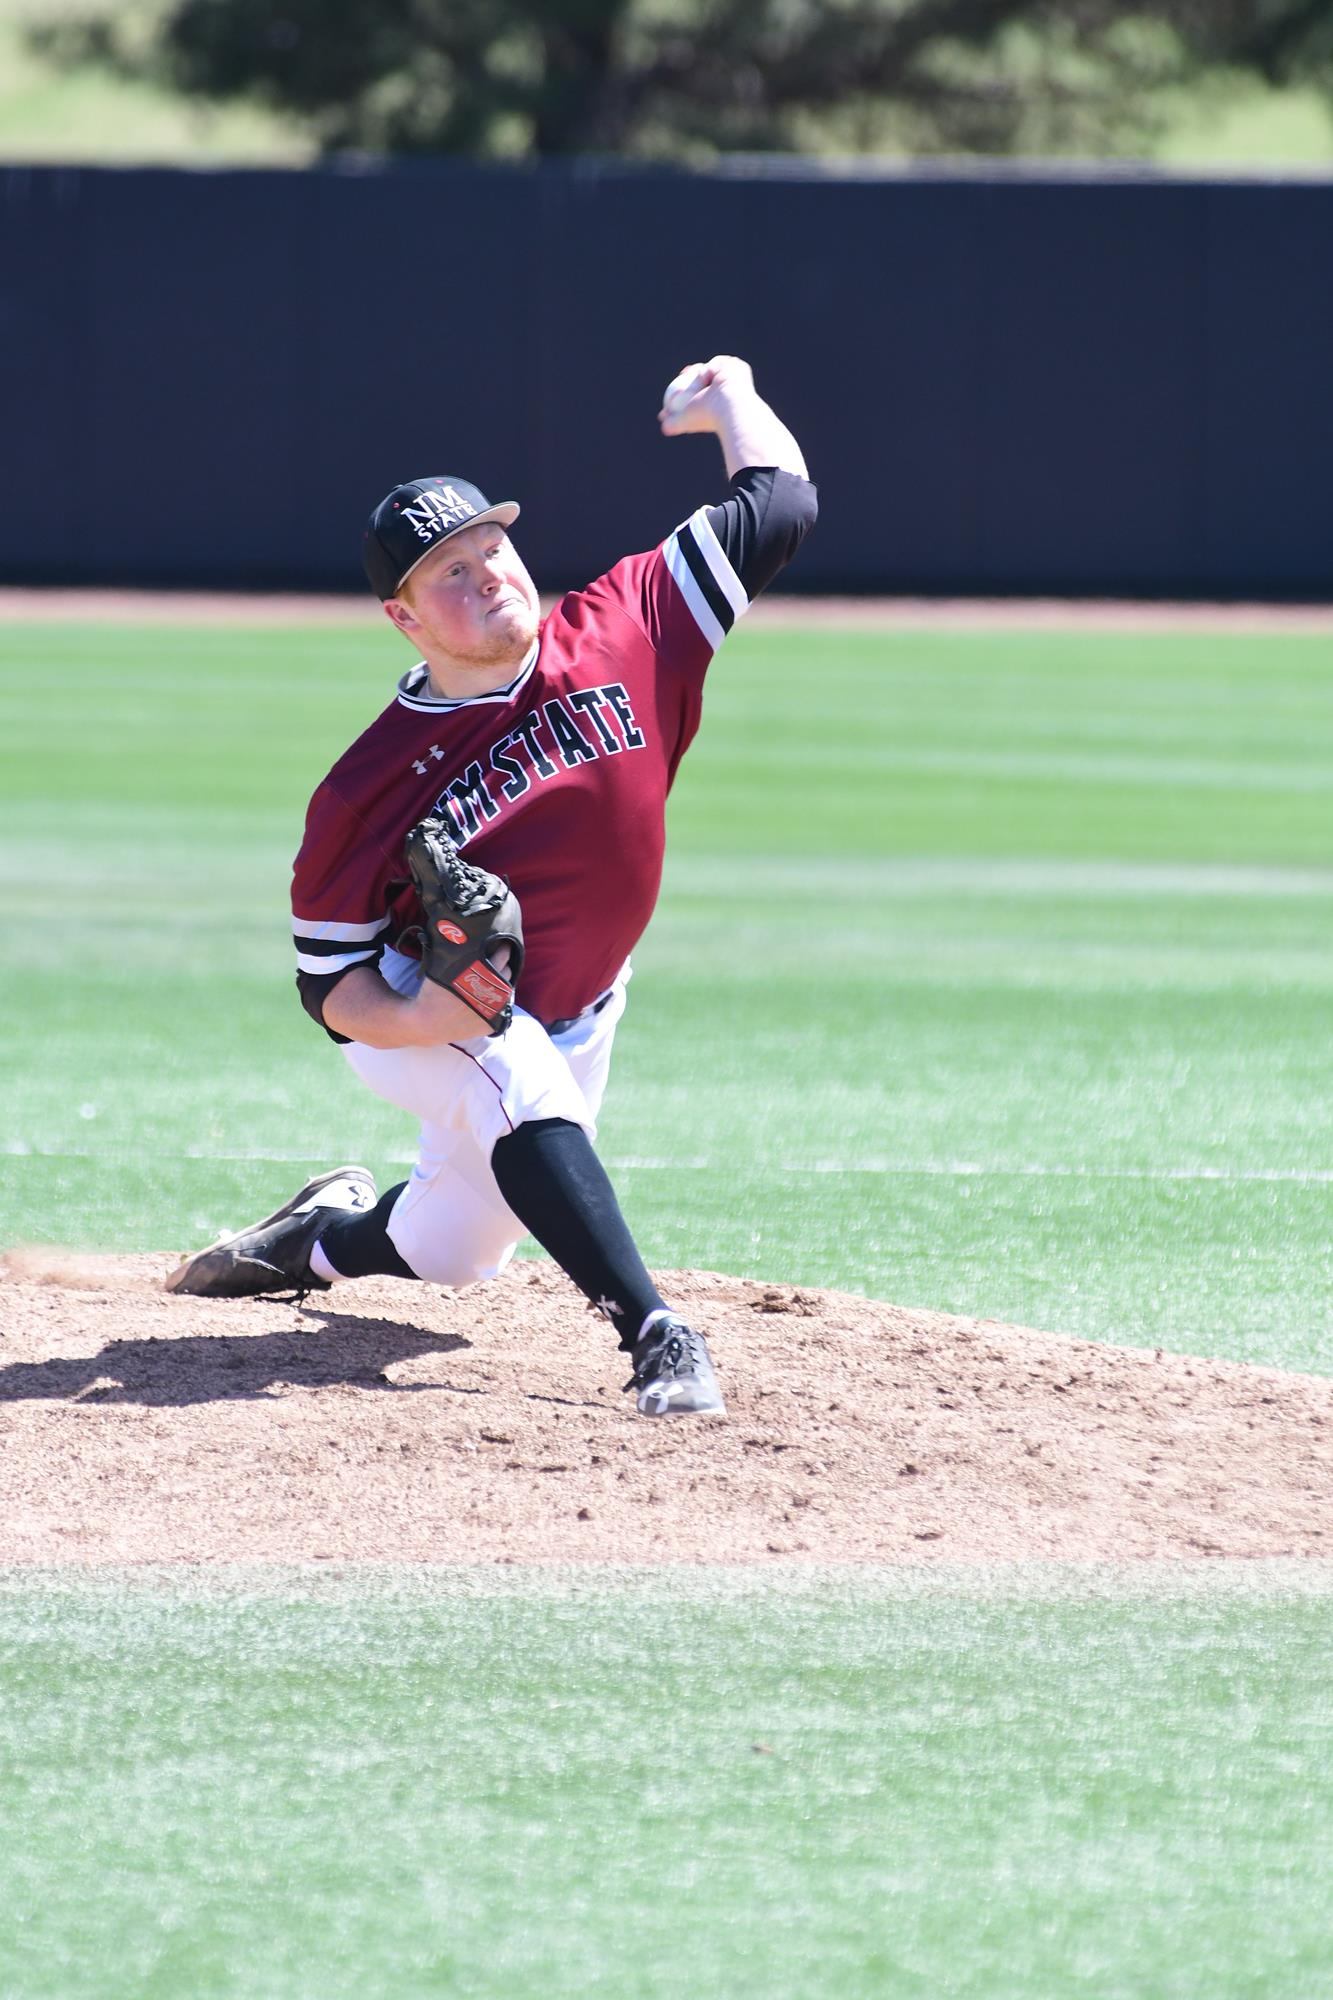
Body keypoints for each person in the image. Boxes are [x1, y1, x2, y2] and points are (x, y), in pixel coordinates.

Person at [167, 356, 817, 1417]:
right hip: (432, 1006)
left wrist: (731, 396)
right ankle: (657, 1331)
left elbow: (779, 501)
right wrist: (422, 1009)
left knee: (455, 1250)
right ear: (404, 618)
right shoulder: (363, 786)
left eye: (491, 548)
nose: (489, 578)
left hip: (585, 1003)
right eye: (450, 576)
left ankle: (316, 1239)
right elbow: (327, 983)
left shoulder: (629, 621)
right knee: (515, 1074)